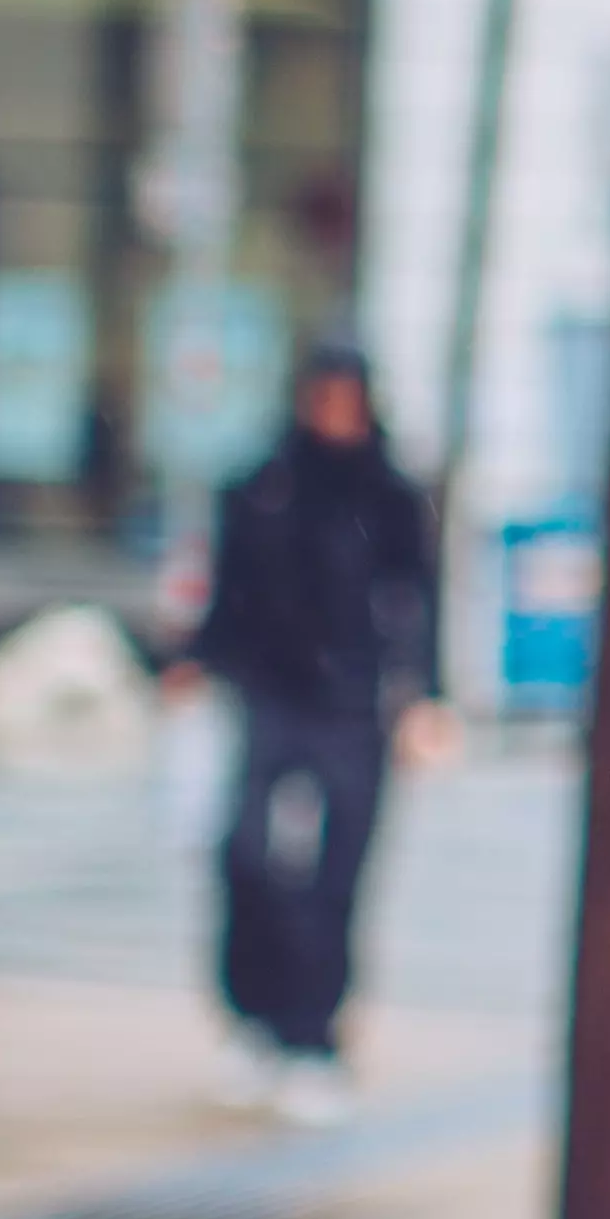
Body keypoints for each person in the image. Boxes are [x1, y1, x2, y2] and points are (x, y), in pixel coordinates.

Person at [180, 343, 449, 1119]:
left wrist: (425, 695)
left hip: (356, 703)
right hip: (270, 693)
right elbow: (229, 588)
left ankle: (314, 1035)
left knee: (337, 876)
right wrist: (198, 659)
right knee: (247, 854)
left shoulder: (391, 496)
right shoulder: (262, 487)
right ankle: (254, 1015)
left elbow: (421, 598)